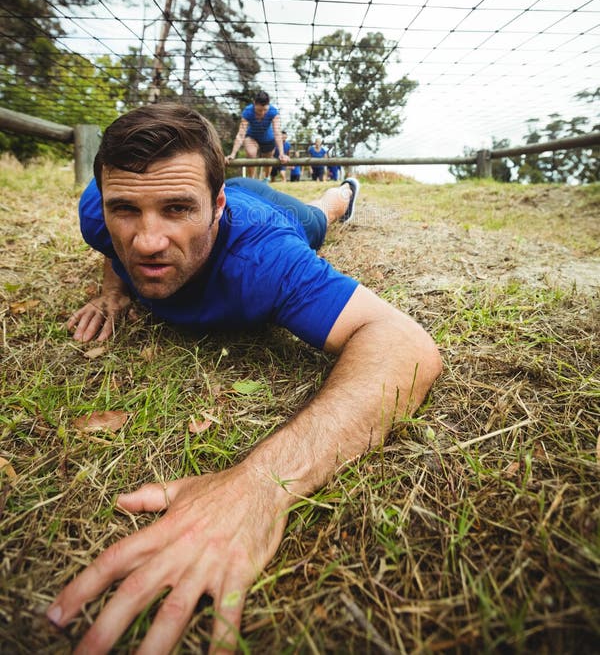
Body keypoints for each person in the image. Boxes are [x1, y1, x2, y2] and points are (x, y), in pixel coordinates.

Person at [47, 103, 442, 655]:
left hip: (275, 213)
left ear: (215, 206)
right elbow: (110, 246)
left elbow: (407, 345)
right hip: (212, 201)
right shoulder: (99, 207)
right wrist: (113, 290)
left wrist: (261, 484)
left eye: (177, 208)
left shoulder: (269, 257)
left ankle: (346, 193)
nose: (147, 241)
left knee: (319, 216)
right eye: (127, 211)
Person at [226, 90, 288, 179]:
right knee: (251, 154)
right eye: (259, 110)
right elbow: (241, 134)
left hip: (268, 139)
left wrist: (281, 153)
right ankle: (252, 180)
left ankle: (266, 178)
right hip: (252, 137)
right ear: (254, 104)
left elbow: (277, 133)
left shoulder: (273, 112)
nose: (262, 113)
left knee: (268, 160)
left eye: (265, 110)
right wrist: (233, 154)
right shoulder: (248, 111)